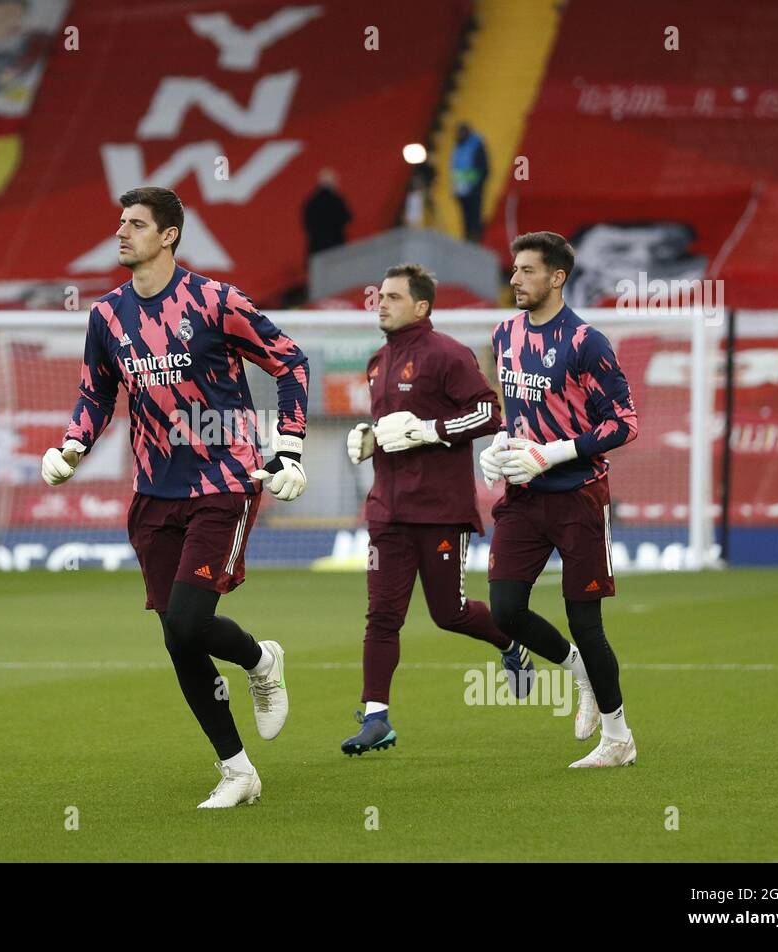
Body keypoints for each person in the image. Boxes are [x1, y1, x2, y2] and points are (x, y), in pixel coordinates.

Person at [42, 186, 310, 808]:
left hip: (224, 482)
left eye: (135, 224)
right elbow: (95, 394)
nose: (121, 232)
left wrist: (290, 447)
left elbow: (290, 362)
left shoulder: (215, 301)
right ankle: (238, 769)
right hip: (152, 493)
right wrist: (72, 446)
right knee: (178, 635)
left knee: (189, 621)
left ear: (168, 235)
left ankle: (259, 661)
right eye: (120, 222)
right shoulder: (106, 316)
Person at [340, 263, 534, 756]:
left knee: (448, 614)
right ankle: (376, 717)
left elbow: (489, 412)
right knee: (382, 615)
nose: (380, 303)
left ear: (421, 306)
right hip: (387, 512)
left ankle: (511, 644)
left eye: (393, 297)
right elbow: (391, 428)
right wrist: (370, 440)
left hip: (440, 511)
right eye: (379, 296)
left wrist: (431, 430)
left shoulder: (448, 354)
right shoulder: (376, 362)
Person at [479, 231, 639, 768]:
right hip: (523, 496)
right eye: (514, 269)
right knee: (505, 609)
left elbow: (624, 422)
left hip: (578, 497)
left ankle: (618, 739)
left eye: (526, 271)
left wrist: (552, 454)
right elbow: (514, 411)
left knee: (585, 620)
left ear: (556, 277)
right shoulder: (504, 334)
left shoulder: (585, 341)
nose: (515, 279)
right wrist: (499, 444)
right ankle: (581, 677)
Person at [450, 123, 488, 242]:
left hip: (474, 189)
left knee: (474, 218)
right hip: (461, 190)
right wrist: (456, 188)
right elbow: (455, 169)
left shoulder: (476, 146)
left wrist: (475, 187)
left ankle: (476, 241)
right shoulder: (458, 147)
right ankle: (468, 240)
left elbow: (483, 169)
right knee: (466, 219)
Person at [302, 168, 352, 259]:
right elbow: (347, 217)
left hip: (316, 248)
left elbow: (306, 224)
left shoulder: (310, 202)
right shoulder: (335, 199)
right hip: (335, 245)